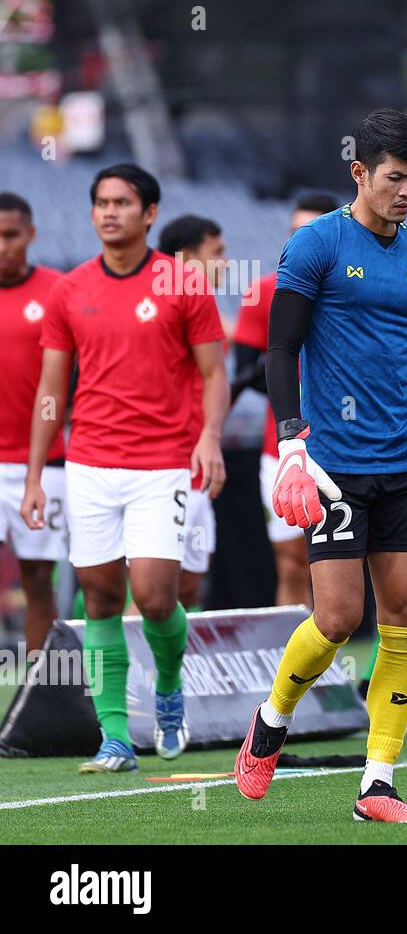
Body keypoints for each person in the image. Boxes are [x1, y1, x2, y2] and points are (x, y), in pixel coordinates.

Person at [234, 108, 407, 822]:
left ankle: (378, 783)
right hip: (334, 462)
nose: (406, 191)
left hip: (403, 463)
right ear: (360, 172)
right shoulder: (315, 246)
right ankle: (272, 719)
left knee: (403, 611)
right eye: (395, 178)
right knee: (338, 618)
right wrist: (293, 443)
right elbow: (278, 351)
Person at [22, 164, 229, 772]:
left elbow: (214, 373)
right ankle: (114, 737)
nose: (110, 212)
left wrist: (210, 437)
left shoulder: (183, 284)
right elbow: (51, 389)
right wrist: (38, 474)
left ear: (150, 214)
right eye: (101, 203)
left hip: (162, 464)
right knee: (100, 597)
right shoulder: (69, 290)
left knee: (157, 597)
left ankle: (168, 685)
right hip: (88, 464)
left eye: (122, 202)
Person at [230, 192, 339, 607]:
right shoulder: (264, 292)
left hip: (346, 445)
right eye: (294, 232)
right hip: (283, 447)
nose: (301, 240)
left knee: (347, 559)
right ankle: (292, 666)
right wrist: (293, 387)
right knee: (292, 562)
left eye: (310, 231)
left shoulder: (355, 290)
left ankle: (340, 663)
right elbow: (244, 374)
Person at [0, 192, 66, 654]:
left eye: (10, 235)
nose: (2, 245)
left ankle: (39, 696)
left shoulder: (58, 290)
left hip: (45, 464)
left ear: (31, 234)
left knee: (38, 576)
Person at [157, 214, 227, 611]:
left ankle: (172, 672)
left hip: (197, 462)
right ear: (186, 259)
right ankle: (126, 671)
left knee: (189, 582)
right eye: (216, 253)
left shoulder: (204, 309)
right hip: (165, 466)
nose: (227, 263)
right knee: (154, 587)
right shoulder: (159, 313)